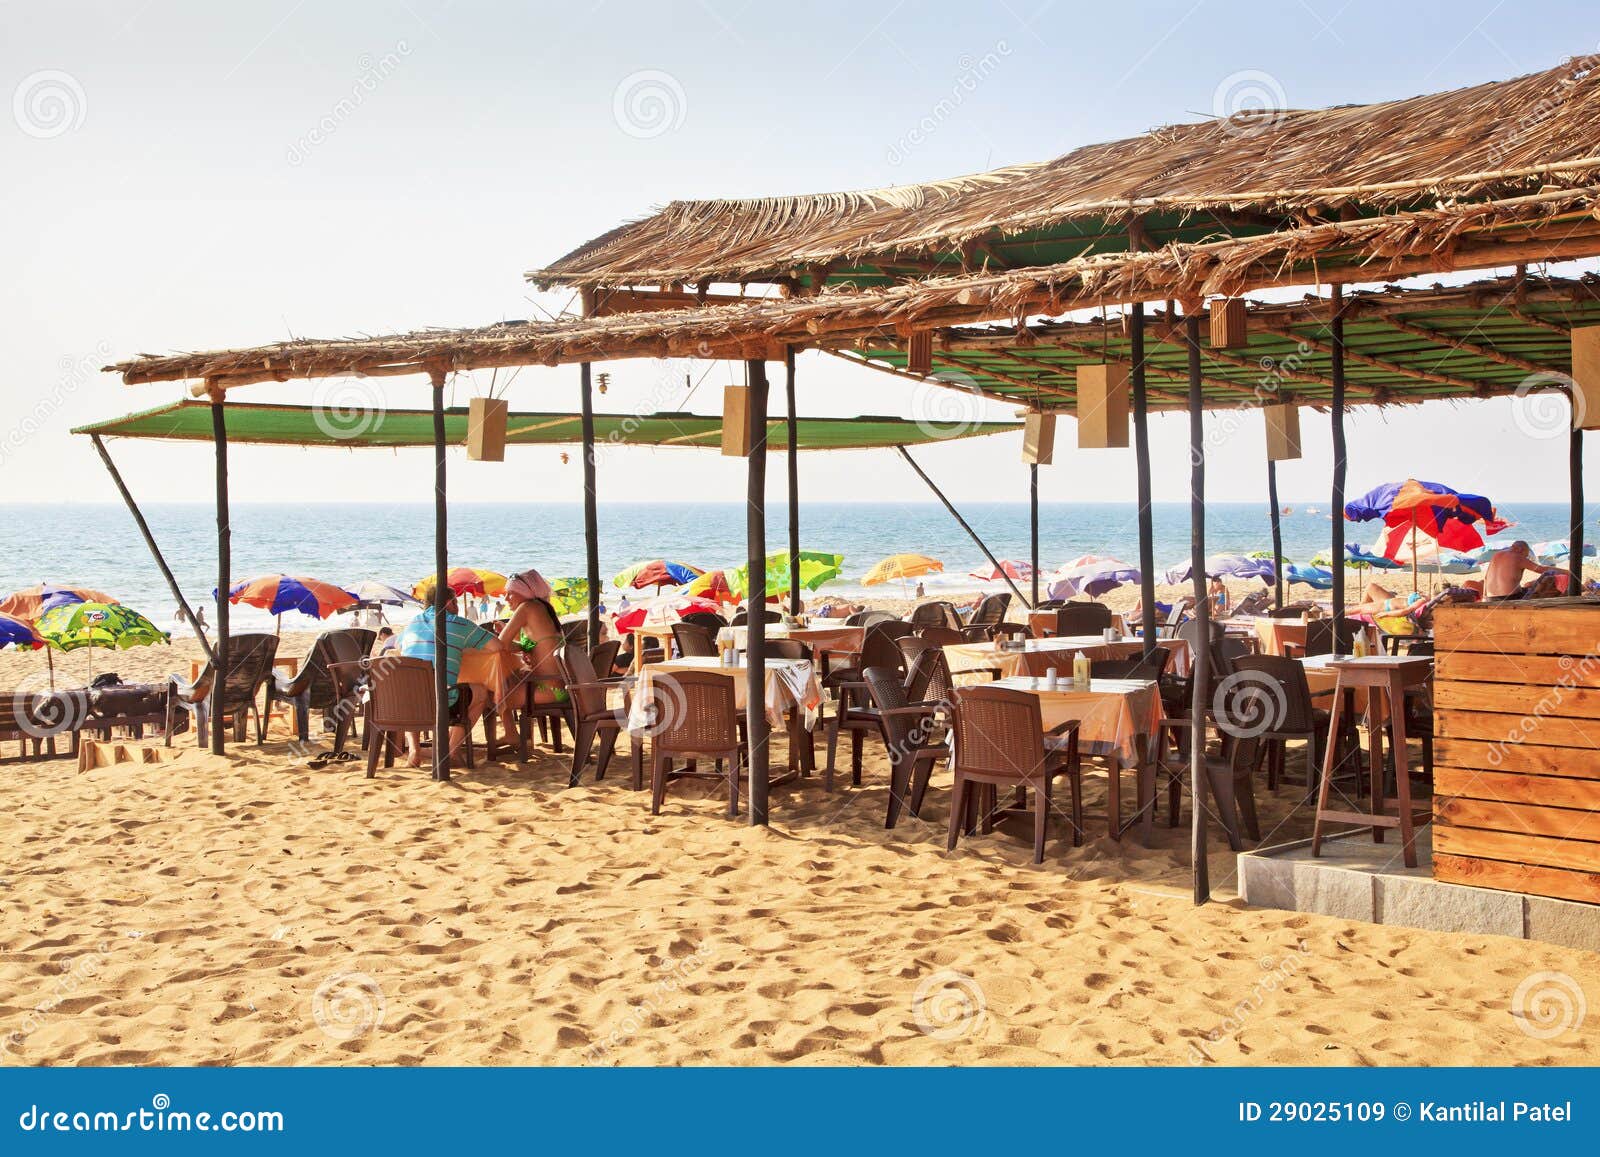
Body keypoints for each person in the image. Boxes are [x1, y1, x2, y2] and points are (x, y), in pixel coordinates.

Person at [397, 594, 503, 765]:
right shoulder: (460, 623)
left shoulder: (413, 622)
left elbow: (398, 645)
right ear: (448, 602)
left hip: (406, 704)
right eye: (455, 601)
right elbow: (497, 646)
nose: (458, 606)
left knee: (414, 687)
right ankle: (452, 751)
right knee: (480, 692)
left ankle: (414, 750)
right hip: (441, 701)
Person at [498, 569, 568, 746]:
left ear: (523, 593)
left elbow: (500, 644)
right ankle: (524, 737)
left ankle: (512, 734)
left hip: (549, 690)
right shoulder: (543, 608)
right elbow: (529, 646)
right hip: (561, 688)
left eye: (510, 593)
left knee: (496, 694)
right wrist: (511, 637)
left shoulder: (527, 607)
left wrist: (502, 635)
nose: (506, 599)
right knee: (513, 679)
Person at [1483, 540, 1559, 599]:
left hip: (1489, 598)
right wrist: (1567, 572)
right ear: (1520, 550)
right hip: (1510, 598)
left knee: (1527, 587)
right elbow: (1542, 569)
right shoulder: (1518, 557)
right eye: (1526, 555)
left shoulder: (1496, 555)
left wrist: (1484, 598)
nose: (1525, 558)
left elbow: (1486, 578)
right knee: (1546, 585)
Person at [1345, 581, 1425, 616]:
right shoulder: (1429, 600)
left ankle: (1333, 613)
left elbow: (1405, 611)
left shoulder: (1424, 601)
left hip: (1389, 607)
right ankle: (1361, 618)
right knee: (1371, 587)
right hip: (1391, 602)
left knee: (1355, 610)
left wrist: (1386, 613)